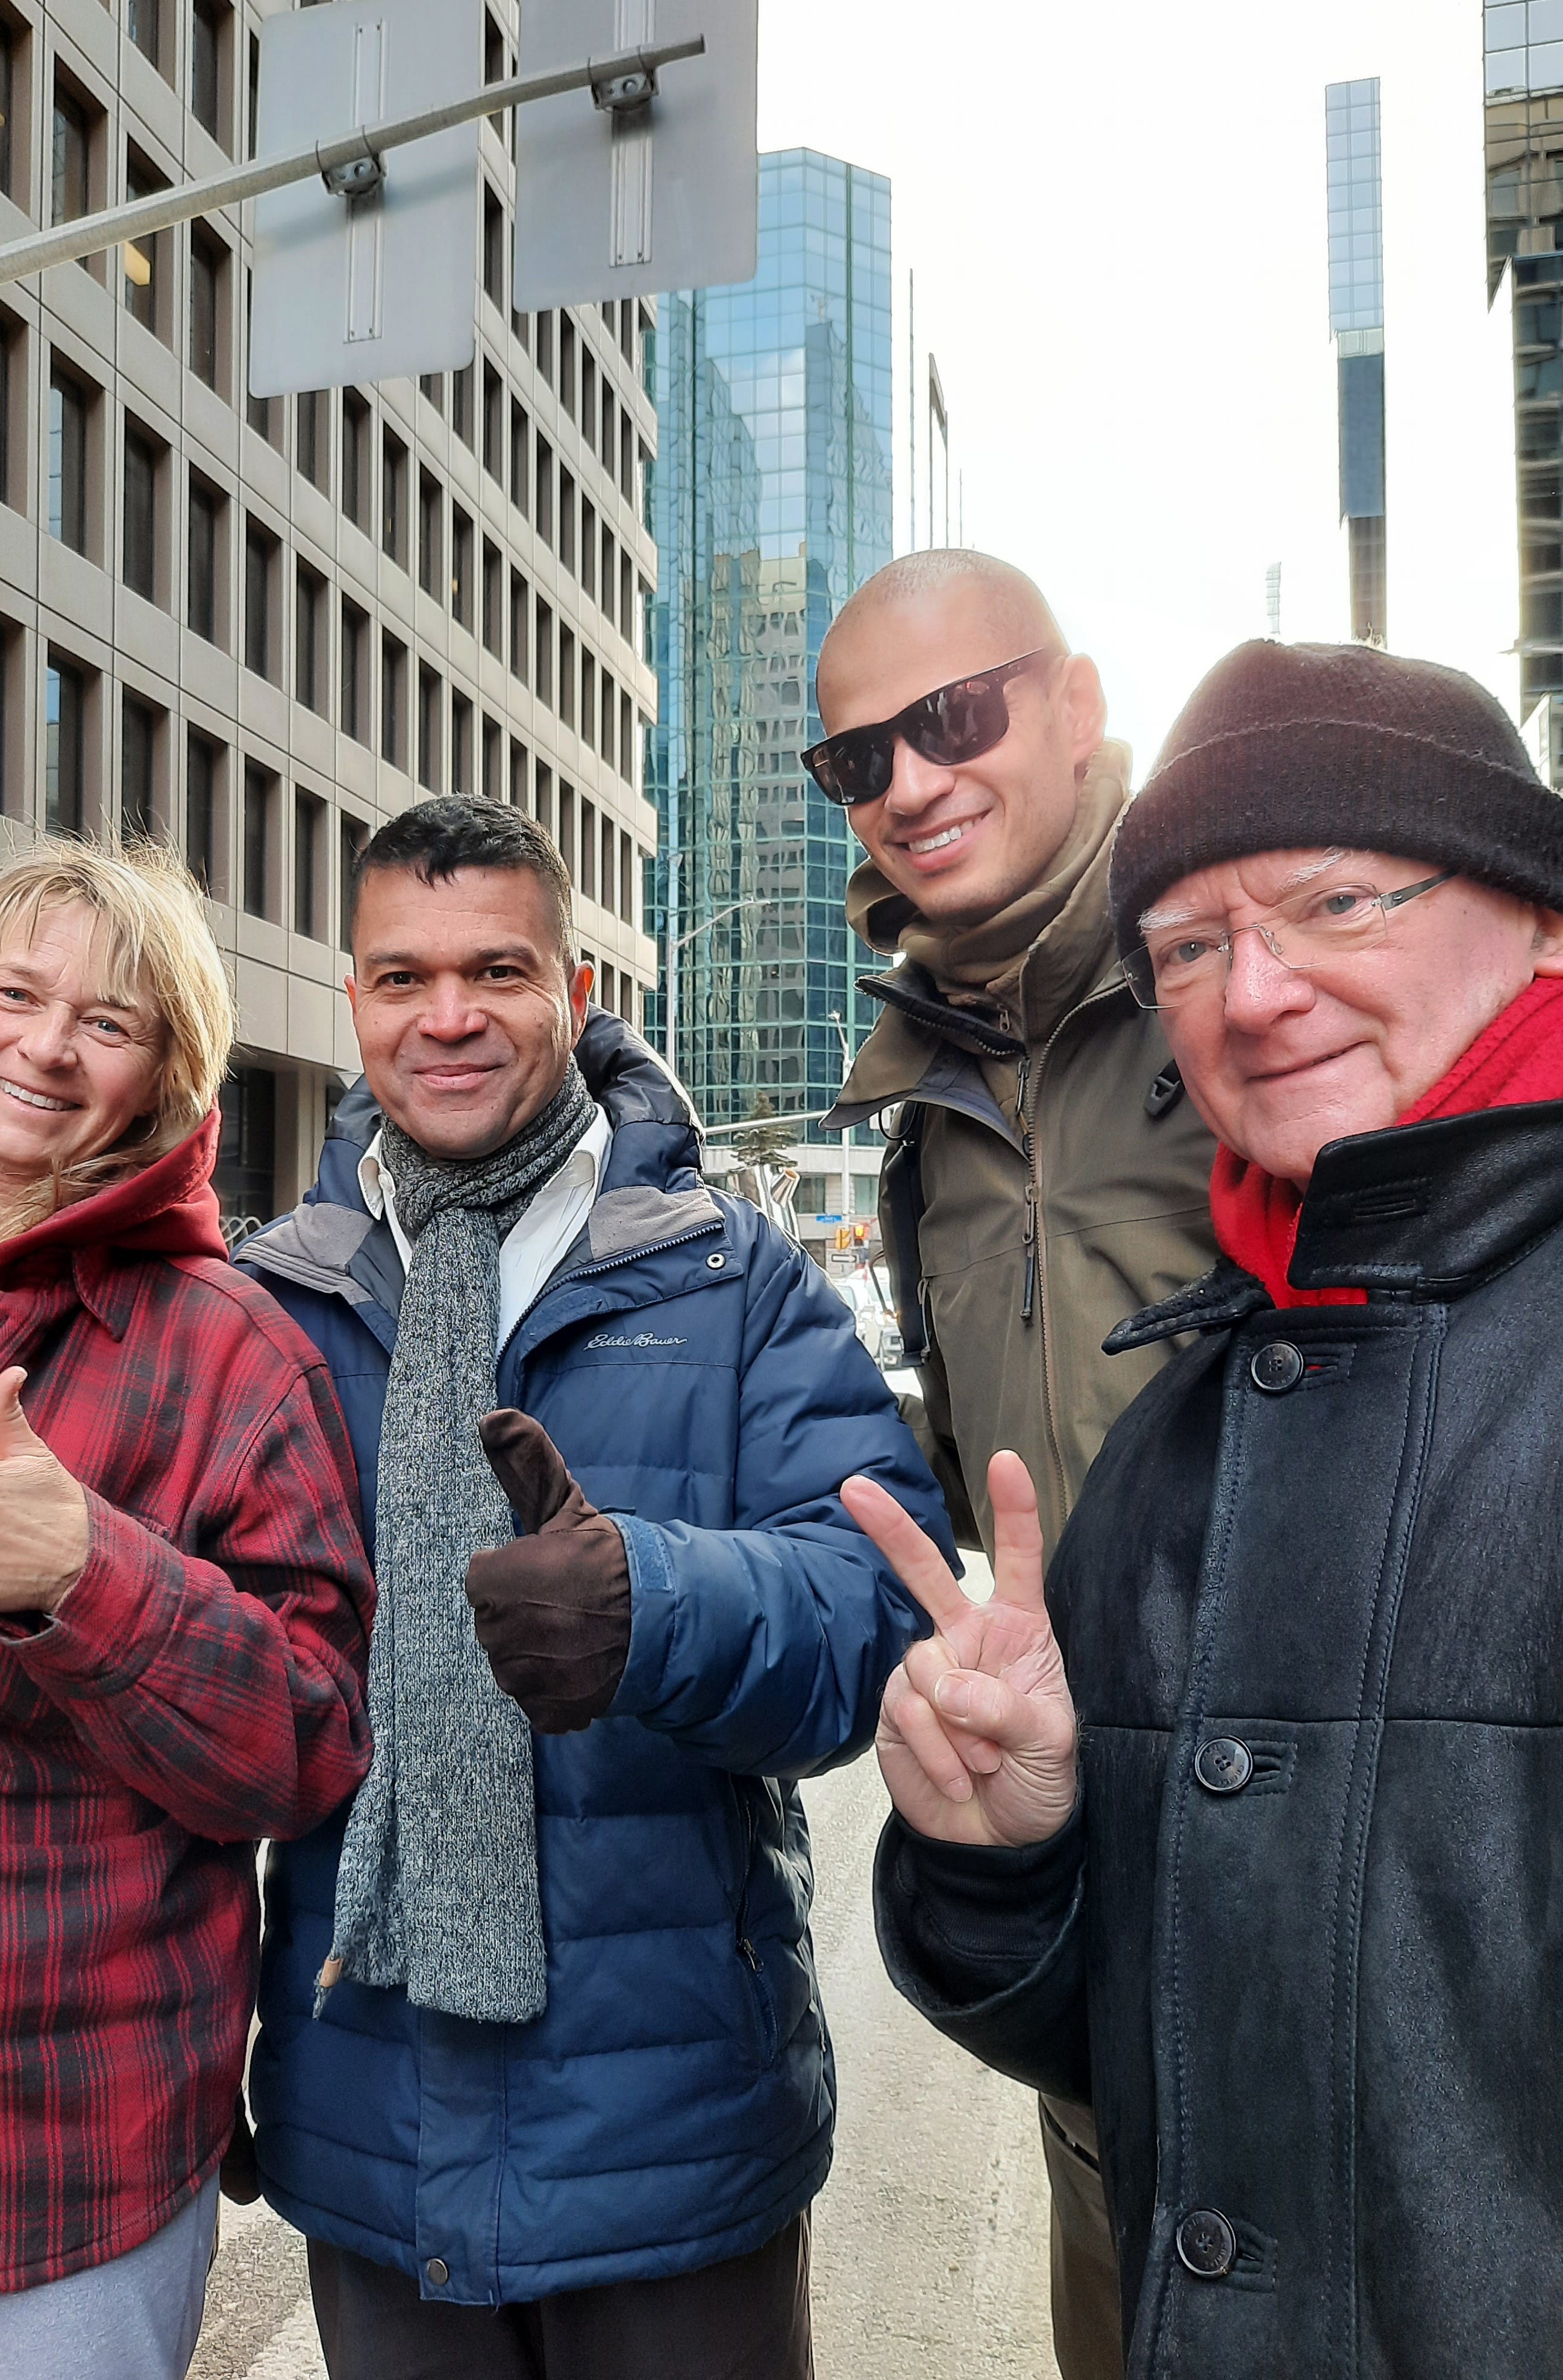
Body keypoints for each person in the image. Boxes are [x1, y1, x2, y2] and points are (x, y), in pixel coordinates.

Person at [856, 637, 1563, 2376]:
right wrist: (1004, 1854)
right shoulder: (1190, 1434)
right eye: (1188, 947)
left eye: (1337, 904)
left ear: (1543, 919)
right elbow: (1141, 2033)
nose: (1255, 995)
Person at [236, 793, 948, 2380]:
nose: (449, 1016)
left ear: (574, 989)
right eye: (402, 976)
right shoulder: (269, 1301)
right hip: (373, 2122)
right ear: (351, 1000)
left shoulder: (730, 1274)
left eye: (497, 968)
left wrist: (656, 1605)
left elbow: (886, 1602)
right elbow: (204, 1701)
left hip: (677, 2135)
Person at [0, 843, 374, 2378]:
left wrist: (94, 1580)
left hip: (47, 2167)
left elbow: (308, 1746)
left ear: (165, 1074)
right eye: (17, 990)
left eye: (108, 1022)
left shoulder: (234, 1350)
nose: (44, 1044)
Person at [810, 548, 1217, 2376]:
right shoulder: (924, 1108)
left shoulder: (1245, 956)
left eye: (953, 718)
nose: (908, 783)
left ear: (1077, 700)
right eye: (855, 762)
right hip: (1103, 1902)